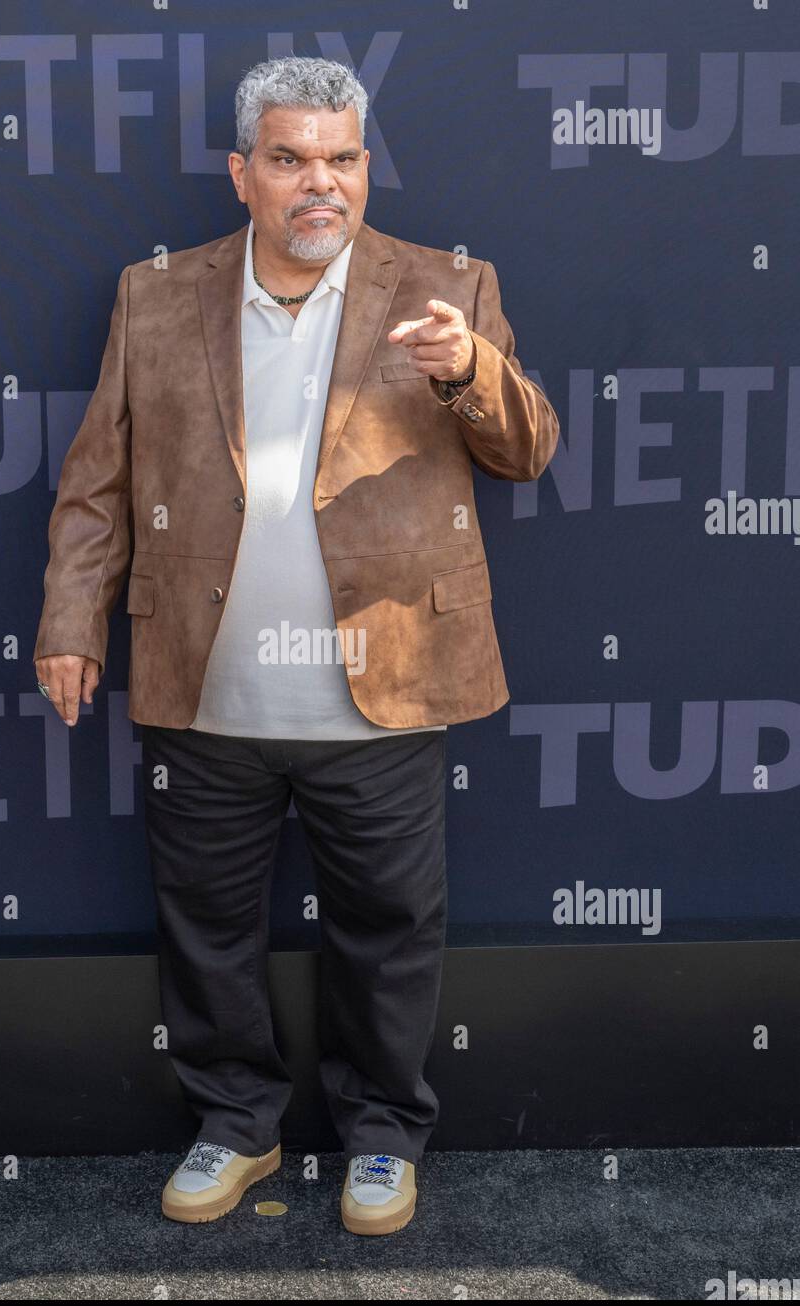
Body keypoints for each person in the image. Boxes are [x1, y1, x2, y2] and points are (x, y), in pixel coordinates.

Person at [33, 55, 560, 1236]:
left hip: (384, 689)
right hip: (204, 691)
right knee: (205, 925)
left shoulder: (446, 284)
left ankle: (382, 1135)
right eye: (290, 159)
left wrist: (472, 371)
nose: (320, 183)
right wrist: (72, 616)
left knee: (388, 927)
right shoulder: (157, 295)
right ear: (243, 173)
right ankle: (236, 1126)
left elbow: (529, 449)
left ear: (365, 167)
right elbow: (97, 482)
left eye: (342, 158)